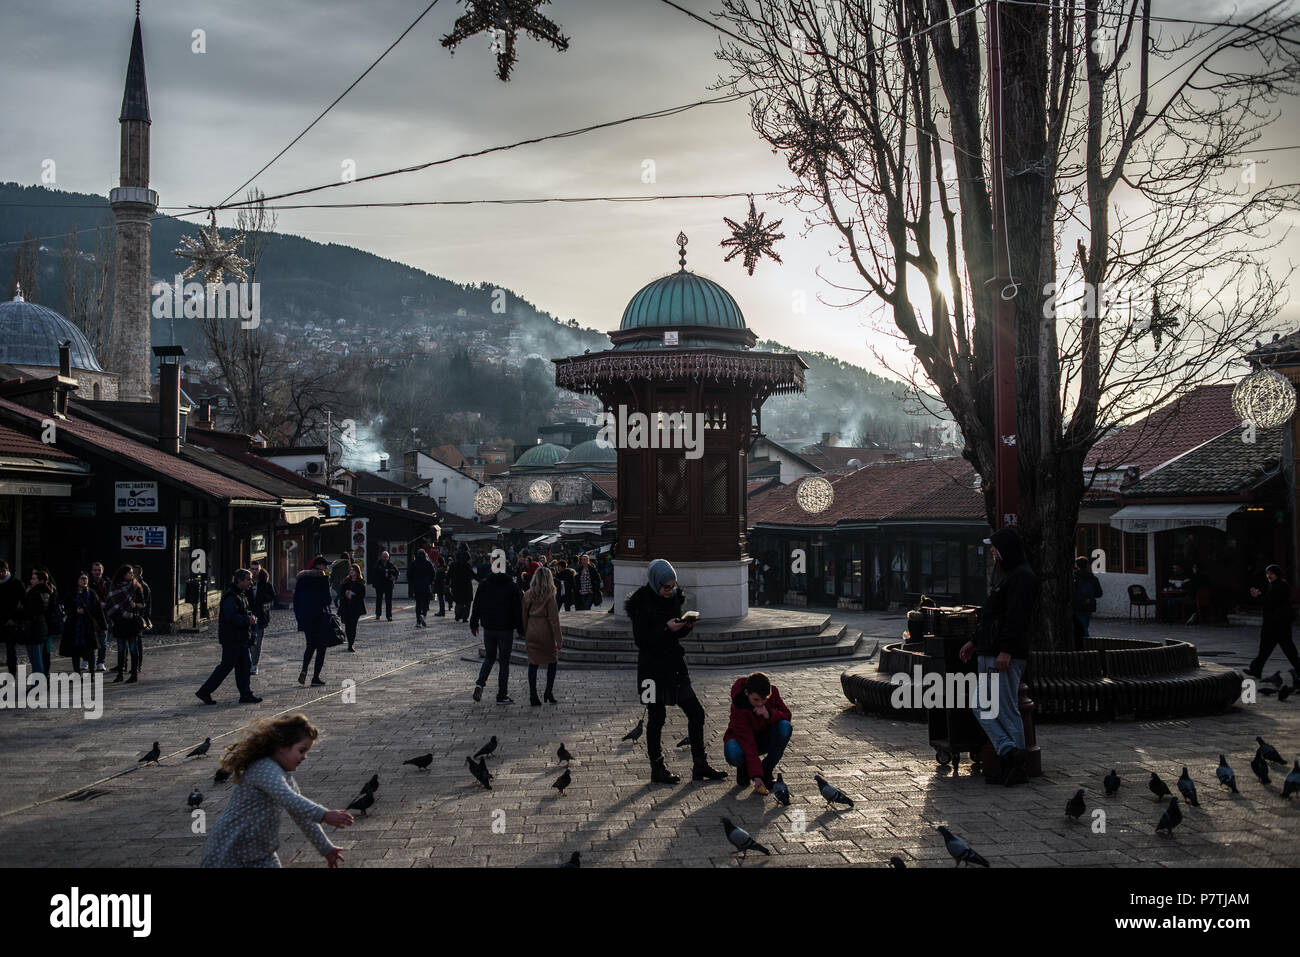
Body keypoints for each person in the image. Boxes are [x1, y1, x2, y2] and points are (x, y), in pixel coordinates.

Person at [200, 714, 354, 868]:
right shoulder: (263, 768)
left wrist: (326, 848)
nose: (304, 757)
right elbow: (287, 798)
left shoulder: (283, 776)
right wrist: (324, 814)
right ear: (281, 747)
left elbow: (301, 814)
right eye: (301, 751)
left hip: (261, 855)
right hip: (229, 852)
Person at [625, 559, 726, 784]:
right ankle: (657, 768)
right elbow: (642, 641)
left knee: (696, 712)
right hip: (651, 669)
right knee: (656, 718)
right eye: (665, 587)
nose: (670, 591)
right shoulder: (640, 603)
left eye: (672, 586)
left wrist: (684, 628)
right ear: (654, 582)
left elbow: (673, 635)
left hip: (674, 666)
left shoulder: (673, 599)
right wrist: (665, 628)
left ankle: (700, 764)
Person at [960, 527, 1038, 787]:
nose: (991, 551)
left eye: (994, 547)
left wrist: (1007, 650)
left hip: (1002, 655)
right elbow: (992, 614)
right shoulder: (1006, 576)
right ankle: (1009, 752)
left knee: (1004, 709)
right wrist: (975, 641)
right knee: (981, 706)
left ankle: (1015, 764)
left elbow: (1017, 618)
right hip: (990, 650)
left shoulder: (1021, 578)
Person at [196, 569, 263, 705]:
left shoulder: (241, 594)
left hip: (241, 637)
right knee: (225, 667)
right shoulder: (231, 596)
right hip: (232, 638)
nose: (251, 582)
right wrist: (247, 619)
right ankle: (204, 691)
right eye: (248, 579)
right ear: (239, 580)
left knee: (244, 666)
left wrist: (249, 618)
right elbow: (230, 617)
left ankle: (245, 694)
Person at [723, 672, 793, 795]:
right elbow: (747, 741)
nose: (760, 703)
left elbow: (787, 714)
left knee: (785, 727)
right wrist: (756, 776)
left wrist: (769, 713)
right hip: (741, 741)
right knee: (734, 752)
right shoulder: (738, 706)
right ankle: (744, 767)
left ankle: (766, 769)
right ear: (746, 693)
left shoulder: (773, 692)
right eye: (756, 699)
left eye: (764, 699)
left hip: (764, 737)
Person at [469, 561, 524, 704]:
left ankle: (480, 683)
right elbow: (518, 610)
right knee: (504, 662)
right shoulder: (512, 586)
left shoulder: (484, 584)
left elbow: (477, 605)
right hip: (506, 629)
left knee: (489, 657)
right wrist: (521, 629)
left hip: (489, 628)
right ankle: (501, 695)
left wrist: (474, 624)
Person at [1246, 564, 1300, 681]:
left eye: (1271, 573)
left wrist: (1258, 597)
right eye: (1267, 573)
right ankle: (1256, 669)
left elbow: (1271, 602)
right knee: (1266, 649)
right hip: (1274, 623)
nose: (1268, 576)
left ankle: (1256, 669)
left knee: (1287, 650)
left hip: (1277, 624)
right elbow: (1270, 601)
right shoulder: (1275, 585)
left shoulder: (1281, 586)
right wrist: (1259, 596)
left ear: (1277, 574)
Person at [522, 566, 563, 706]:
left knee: (533, 663)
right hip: (545, 630)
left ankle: (533, 695)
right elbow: (554, 619)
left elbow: (524, 615)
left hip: (532, 628)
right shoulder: (550, 595)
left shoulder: (528, 594)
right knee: (552, 661)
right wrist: (558, 638)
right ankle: (548, 691)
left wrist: (525, 631)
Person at [293, 555, 335, 686]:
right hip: (320, 617)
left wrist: (300, 618)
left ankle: (304, 670)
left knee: (310, 645)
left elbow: (296, 601)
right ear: (319, 566)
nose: (326, 568)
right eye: (325, 565)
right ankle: (315, 677)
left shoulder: (301, 579)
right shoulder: (322, 579)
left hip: (306, 618)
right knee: (321, 647)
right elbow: (327, 600)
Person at [104, 565, 144, 684]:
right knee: (121, 649)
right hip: (120, 622)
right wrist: (116, 618)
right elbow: (110, 605)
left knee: (133, 648)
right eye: (129, 573)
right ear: (123, 574)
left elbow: (143, 604)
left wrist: (135, 605)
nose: (132, 575)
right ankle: (120, 673)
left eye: (132, 573)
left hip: (132, 621)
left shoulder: (136, 587)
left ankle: (134, 674)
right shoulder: (114, 588)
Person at [61, 572, 106, 675]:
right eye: (82, 578)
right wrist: (75, 611)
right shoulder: (71, 594)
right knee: (75, 652)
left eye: (86, 578)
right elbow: (66, 608)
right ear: (77, 580)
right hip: (74, 627)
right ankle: (77, 673)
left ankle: (92, 673)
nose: (84, 580)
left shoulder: (92, 593)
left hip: (88, 627)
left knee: (91, 650)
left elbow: (98, 610)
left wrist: (103, 627)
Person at [20, 568, 55, 680]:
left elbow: (28, 611)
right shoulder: (46, 592)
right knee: (38, 657)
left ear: (40, 581)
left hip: (34, 628)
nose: (31, 581)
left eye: (34, 579)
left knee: (36, 659)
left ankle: (38, 683)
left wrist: (26, 595)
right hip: (41, 627)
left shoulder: (35, 593)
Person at [248, 562, 276, 676]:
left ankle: (254, 665)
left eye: (256, 569)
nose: (254, 571)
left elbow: (273, 595)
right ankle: (249, 662)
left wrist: (262, 600)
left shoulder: (265, 583)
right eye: (252, 569)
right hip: (247, 616)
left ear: (260, 570)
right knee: (248, 642)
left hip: (260, 615)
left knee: (257, 642)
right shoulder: (246, 581)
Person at [1, 560, 24, 678]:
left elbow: (24, 602)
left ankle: (12, 674)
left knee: (10, 649)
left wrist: (15, 619)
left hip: (11, 622)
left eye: (1, 572)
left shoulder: (16, 583)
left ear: (5, 570)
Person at [337, 563, 366, 653]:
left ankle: (351, 644)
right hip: (346, 607)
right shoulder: (346, 581)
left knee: (353, 626)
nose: (351, 572)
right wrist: (345, 594)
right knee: (348, 626)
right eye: (350, 570)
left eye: (352, 570)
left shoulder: (361, 582)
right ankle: (350, 642)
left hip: (355, 607)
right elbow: (341, 593)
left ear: (357, 572)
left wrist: (353, 596)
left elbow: (362, 595)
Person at [1072, 555, 1103, 640]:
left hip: (1078, 605)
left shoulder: (1074, 577)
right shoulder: (1093, 578)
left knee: (1082, 626)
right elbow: (1099, 593)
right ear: (1087, 565)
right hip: (1089, 605)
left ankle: (1085, 644)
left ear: (1077, 565)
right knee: (1085, 624)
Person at [88, 561, 109, 671]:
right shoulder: (87, 582)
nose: (97, 572)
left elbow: (111, 596)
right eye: (95, 570)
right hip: (90, 615)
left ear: (102, 571)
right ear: (92, 571)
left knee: (103, 641)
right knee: (88, 639)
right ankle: (86, 659)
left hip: (104, 615)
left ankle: (101, 662)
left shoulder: (107, 582)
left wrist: (106, 604)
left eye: (99, 570)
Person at [407, 548, 434, 627]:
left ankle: (418, 622)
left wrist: (412, 583)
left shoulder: (414, 563)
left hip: (417, 587)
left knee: (418, 604)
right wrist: (429, 582)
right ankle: (423, 615)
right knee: (426, 602)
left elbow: (409, 574)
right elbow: (433, 573)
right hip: (426, 586)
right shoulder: (428, 563)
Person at [372, 550, 399, 621]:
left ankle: (389, 616)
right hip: (379, 584)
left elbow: (396, 572)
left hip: (388, 584)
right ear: (381, 557)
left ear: (388, 557)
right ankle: (378, 614)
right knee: (379, 600)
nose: (385, 558)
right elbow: (377, 570)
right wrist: (387, 571)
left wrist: (395, 577)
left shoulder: (391, 564)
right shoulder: (378, 563)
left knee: (388, 601)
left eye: (386, 557)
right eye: (384, 557)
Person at [449, 550, 475, 623]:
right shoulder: (467, 566)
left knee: (459, 602)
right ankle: (464, 617)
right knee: (467, 603)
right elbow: (473, 575)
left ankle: (458, 615)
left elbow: (449, 575)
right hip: (466, 586)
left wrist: (448, 584)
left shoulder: (453, 565)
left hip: (457, 586)